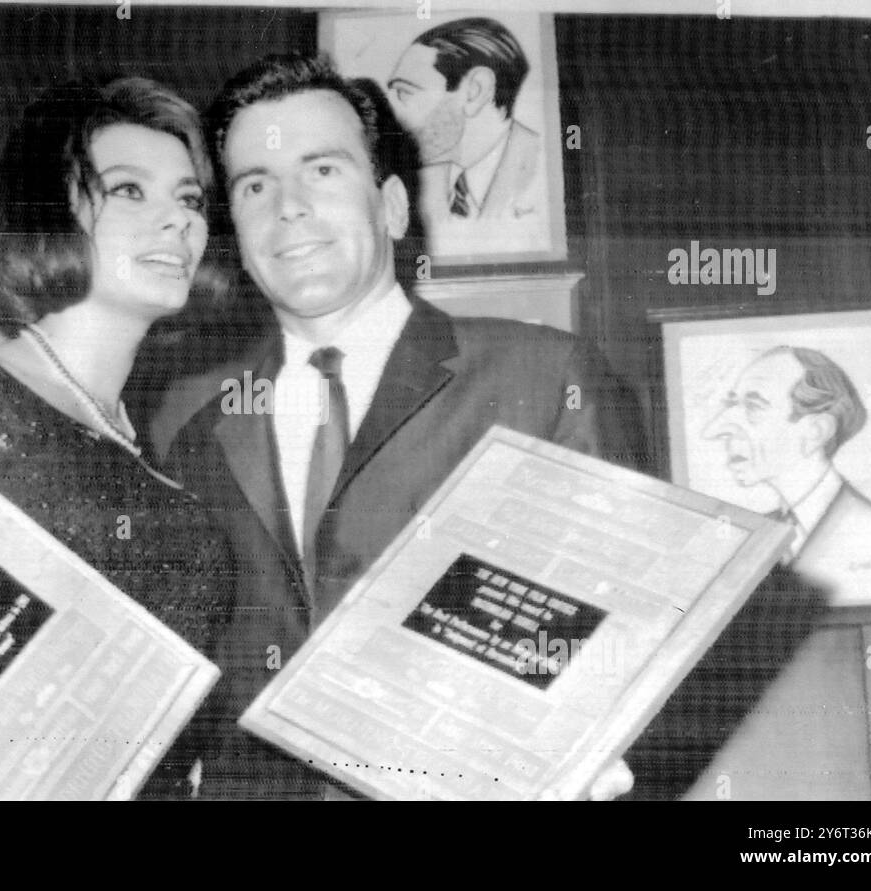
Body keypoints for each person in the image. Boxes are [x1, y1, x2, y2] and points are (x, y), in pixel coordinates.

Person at [154, 55, 644, 799]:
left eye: (321, 171)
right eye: (255, 184)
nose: (287, 206)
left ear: (390, 206)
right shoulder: (182, 418)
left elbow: (616, 639)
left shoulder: (545, 378)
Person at [0, 77, 234, 797]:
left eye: (189, 199)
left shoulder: (141, 449)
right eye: (131, 190)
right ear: (50, 213)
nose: (178, 221)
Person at [700, 345, 871, 602]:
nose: (716, 429)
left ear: (816, 431)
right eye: (732, 404)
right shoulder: (753, 535)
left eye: (753, 406)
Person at [385, 17, 550, 256]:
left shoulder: (545, 171)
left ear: (475, 91)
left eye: (404, 92)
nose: (390, 112)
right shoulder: (418, 181)